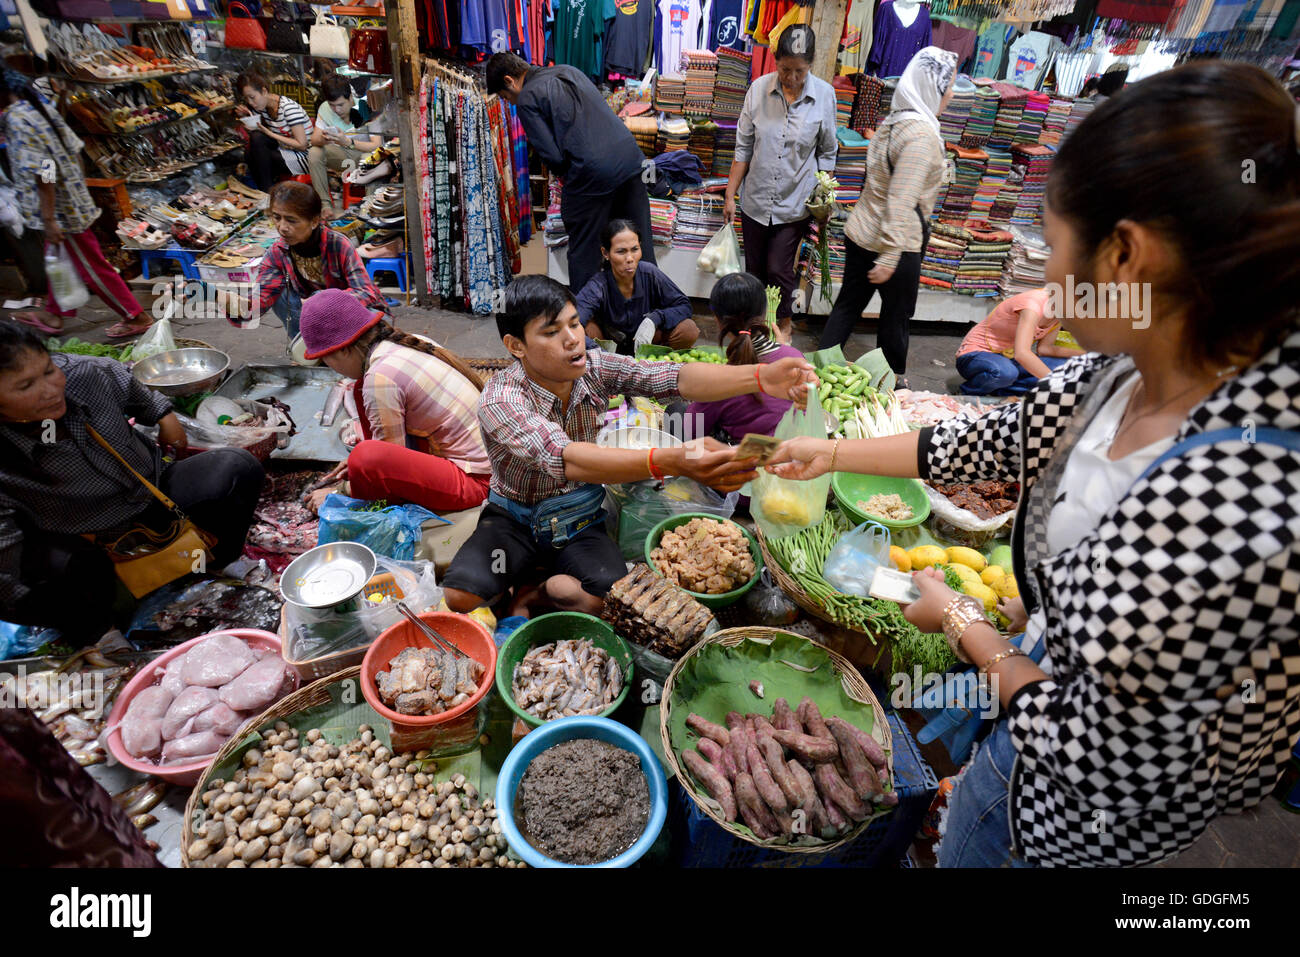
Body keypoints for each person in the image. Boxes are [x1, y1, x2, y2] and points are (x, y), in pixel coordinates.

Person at [765, 61, 1300, 868]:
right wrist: (830, 451)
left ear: (1126, 256)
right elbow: (982, 443)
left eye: (1051, 243)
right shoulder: (1123, 368)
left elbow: (1097, 751)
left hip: (1067, 821)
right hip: (1035, 692)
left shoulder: (1233, 505)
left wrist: (964, 625)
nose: (1045, 273)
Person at [441, 275, 816, 620]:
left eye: (574, 324)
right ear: (516, 346)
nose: (572, 339)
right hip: (515, 519)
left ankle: (536, 592)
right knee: (460, 595)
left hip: (578, 518)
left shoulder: (594, 367)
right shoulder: (501, 398)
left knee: (614, 601)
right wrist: (675, 461)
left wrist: (760, 377)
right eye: (552, 332)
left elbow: (671, 377)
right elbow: (566, 458)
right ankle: (522, 573)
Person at [0, 324, 264, 645]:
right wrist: (53, 608)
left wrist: (164, 416)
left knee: (236, 467)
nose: (50, 390)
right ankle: (100, 630)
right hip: (82, 539)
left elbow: (128, 384)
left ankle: (212, 565)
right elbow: (7, 567)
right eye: (25, 385)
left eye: (48, 370)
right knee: (51, 569)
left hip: (153, 495)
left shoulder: (84, 374)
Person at [817, 46, 958, 373]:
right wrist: (891, 255)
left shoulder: (895, 120)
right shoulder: (921, 136)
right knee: (895, 323)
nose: (951, 94)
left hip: (862, 231)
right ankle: (890, 386)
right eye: (948, 86)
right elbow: (901, 198)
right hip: (896, 243)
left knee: (847, 308)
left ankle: (817, 374)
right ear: (931, 87)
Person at [297, 289, 491, 515]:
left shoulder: (380, 378)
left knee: (365, 457)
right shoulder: (406, 344)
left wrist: (340, 491)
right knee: (363, 447)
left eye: (325, 360)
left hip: (477, 482)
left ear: (343, 350)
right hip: (488, 464)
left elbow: (382, 468)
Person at [486, 52, 657, 294]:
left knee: (585, 252)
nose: (511, 103)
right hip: (632, 160)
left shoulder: (526, 98)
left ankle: (586, 313)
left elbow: (552, 156)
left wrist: (569, 178)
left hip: (592, 171)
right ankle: (651, 306)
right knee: (637, 242)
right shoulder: (568, 70)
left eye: (506, 97)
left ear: (509, 81)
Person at [1, 70, 151, 340]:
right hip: (68, 201)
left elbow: (45, 169)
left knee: (91, 266)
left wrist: (50, 218)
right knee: (58, 259)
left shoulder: (18, 119)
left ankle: (136, 315)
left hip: (60, 209)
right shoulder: (38, 108)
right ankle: (53, 314)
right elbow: (72, 152)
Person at [724, 25, 838, 332]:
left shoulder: (824, 96)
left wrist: (824, 198)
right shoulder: (758, 90)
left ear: (810, 65)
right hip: (756, 200)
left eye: (800, 71)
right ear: (775, 61)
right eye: (785, 69)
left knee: (779, 269)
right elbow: (743, 147)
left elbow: (827, 152)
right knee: (755, 270)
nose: (792, 78)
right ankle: (755, 328)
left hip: (794, 202)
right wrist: (730, 194)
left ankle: (784, 327)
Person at [221, 181, 386, 342]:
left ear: (314, 221)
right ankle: (305, 345)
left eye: (291, 220)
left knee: (327, 302)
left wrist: (321, 301)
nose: (282, 227)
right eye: (277, 217)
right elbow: (258, 301)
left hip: (348, 317)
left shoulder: (338, 244)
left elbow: (365, 292)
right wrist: (223, 299)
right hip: (311, 318)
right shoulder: (277, 252)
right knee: (280, 293)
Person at [668, 272, 806, 443]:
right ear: (764, 315)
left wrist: (697, 398)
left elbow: (693, 429)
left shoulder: (719, 381)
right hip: (795, 451)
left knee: (675, 412)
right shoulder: (795, 357)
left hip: (748, 457)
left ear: (718, 320)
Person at [575, 219, 699, 354]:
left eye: (635, 249)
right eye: (621, 251)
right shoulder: (598, 286)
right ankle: (603, 361)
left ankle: (657, 361)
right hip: (611, 349)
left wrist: (655, 319)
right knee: (585, 328)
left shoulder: (650, 274)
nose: (629, 258)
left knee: (688, 329)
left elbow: (684, 305)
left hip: (647, 343)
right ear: (606, 253)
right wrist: (599, 351)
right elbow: (573, 322)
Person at [955, 287, 1083, 395]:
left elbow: (1045, 349)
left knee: (1068, 368)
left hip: (1009, 359)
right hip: (976, 355)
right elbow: (1022, 354)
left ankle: (998, 389)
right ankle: (968, 393)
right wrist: (1057, 382)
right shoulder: (1032, 305)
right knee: (1005, 372)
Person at [308, 74, 382, 218]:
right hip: (343, 156)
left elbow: (376, 145)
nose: (337, 110)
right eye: (332, 105)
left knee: (372, 159)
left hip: (364, 155)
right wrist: (327, 138)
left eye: (341, 105)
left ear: (350, 98)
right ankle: (325, 205)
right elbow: (314, 140)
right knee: (314, 152)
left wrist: (348, 142)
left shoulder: (365, 107)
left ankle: (369, 211)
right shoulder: (325, 109)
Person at [235, 71, 310, 192]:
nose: (250, 102)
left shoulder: (289, 108)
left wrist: (270, 134)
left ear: (264, 91)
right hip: (285, 150)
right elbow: (258, 138)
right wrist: (245, 116)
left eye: (252, 97)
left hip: (304, 157)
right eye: (246, 99)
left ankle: (266, 192)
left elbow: (302, 145)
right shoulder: (262, 108)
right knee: (252, 148)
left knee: (259, 156)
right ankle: (267, 190)